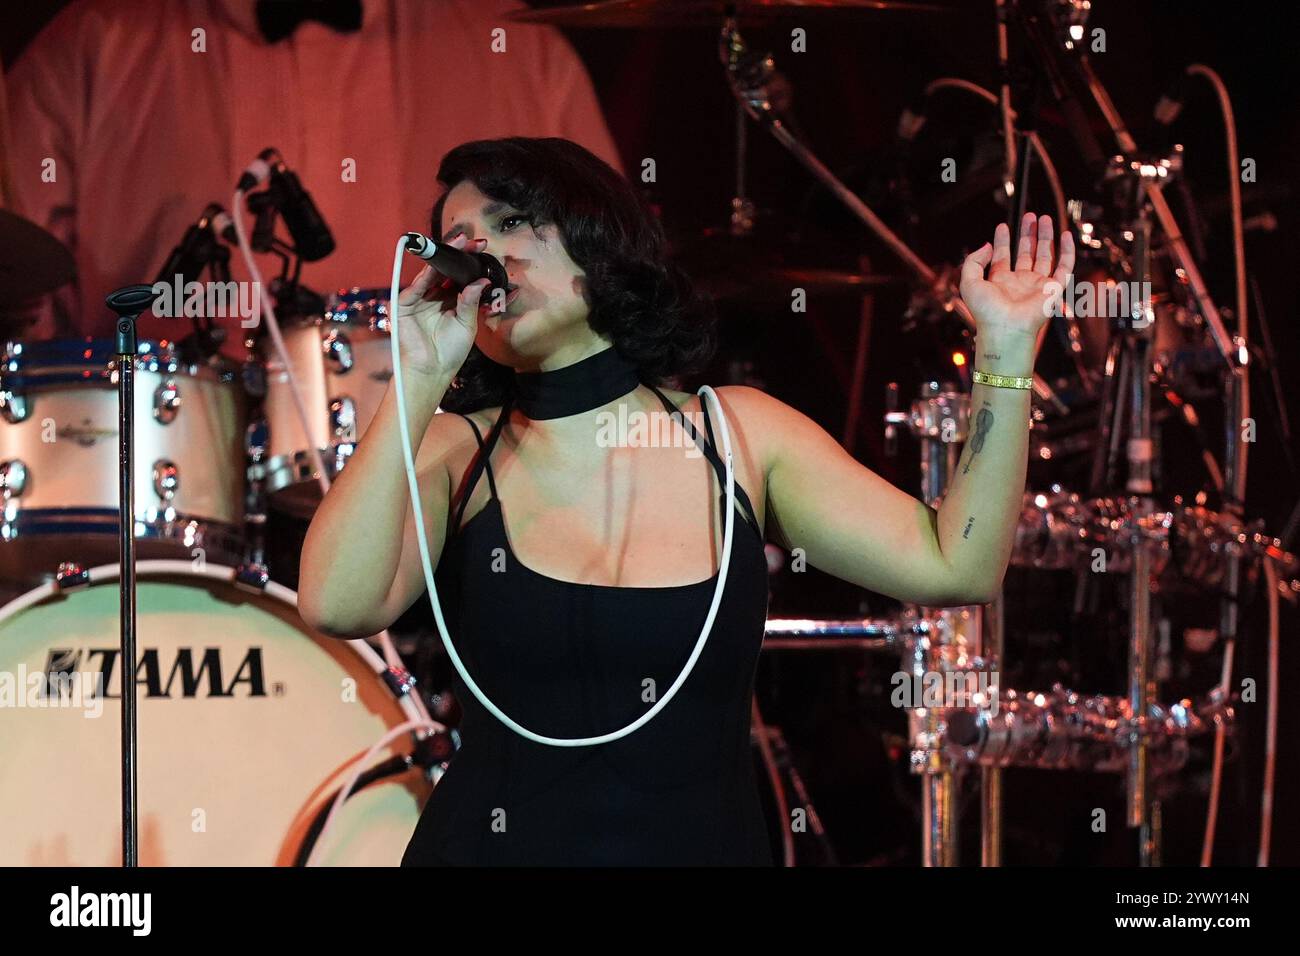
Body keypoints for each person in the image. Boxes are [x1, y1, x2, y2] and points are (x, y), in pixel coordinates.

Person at [297, 136, 1075, 866]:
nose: (480, 253)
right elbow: (336, 604)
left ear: (596, 238)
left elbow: (958, 566)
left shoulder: (740, 434)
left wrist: (1004, 353)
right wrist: (420, 380)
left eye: (508, 221)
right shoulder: (451, 449)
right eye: (460, 238)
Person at [3, 0, 619, 351]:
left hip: (471, 471)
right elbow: (17, 294)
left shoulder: (519, 49)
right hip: (164, 474)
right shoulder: (93, 44)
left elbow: (615, 284)